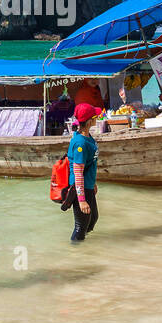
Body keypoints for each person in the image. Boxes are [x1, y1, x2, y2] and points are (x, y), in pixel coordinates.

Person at [61, 102, 101, 242]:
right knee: (80, 226)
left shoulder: (87, 137)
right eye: (95, 116)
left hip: (88, 186)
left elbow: (91, 163)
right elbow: (78, 173)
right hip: (80, 189)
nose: (97, 118)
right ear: (90, 121)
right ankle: (75, 252)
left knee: (93, 218)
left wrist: (93, 183)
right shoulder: (80, 144)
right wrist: (82, 200)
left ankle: (86, 248)